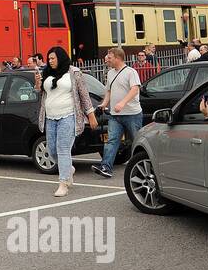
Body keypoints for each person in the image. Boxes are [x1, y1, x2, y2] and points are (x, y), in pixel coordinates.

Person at [34, 47, 97, 198]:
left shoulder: (74, 72)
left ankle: (63, 183)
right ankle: (68, 168)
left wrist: (91, 114)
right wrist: (37, 84)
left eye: (53, 58)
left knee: (63, 149)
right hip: (50, 117)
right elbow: (40, 92)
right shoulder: (46, 73)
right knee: (52, 150)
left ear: (61, 58)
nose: (50, 61)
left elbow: (84, 95)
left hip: (68, 116)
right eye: (49, 59)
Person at [93, 48, 142, 179]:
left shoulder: (131, 72)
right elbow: (109, 91)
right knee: (112, 141)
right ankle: (106, 167)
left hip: (132, 114)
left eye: (109, 57)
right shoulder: (110, 73)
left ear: (118, 58)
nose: (106, 60)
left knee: (137, 141)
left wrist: (122, 103)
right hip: (115, 115)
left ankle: (143, 166)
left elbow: (135, 89)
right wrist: (104, 104)